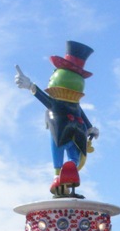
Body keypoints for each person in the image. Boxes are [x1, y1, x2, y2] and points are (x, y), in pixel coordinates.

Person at [15, 41, 99, 197]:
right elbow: (79, 112)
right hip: (76, 129)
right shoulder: (71, 104)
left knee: (60, 149)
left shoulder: (61, 105)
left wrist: (30, 86)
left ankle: (60, 175)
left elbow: (47, 101)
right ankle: (67, 170)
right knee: (72, 154)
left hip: (61, 128)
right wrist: (90, 128)